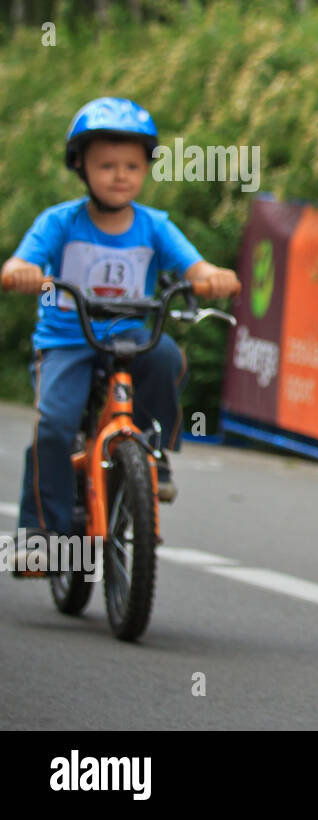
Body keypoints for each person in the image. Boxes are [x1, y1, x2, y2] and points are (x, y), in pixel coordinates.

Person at [0, 97, 240, 576]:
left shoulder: (155, 226)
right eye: (106, 165)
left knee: (167, 357)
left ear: (147, 169)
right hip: (67, 340)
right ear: (80, 167)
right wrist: (21, 273)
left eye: (131, 165)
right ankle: (43, 537)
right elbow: (18, 264)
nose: (119, 175)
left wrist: (213, 276)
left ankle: (155, 452)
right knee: (53, 425)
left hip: (130, 335)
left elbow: (195, 266)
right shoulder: (59, 222)